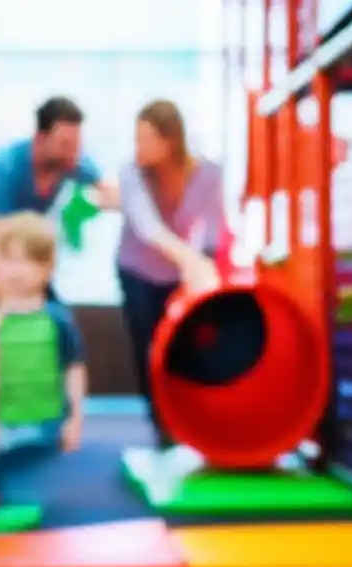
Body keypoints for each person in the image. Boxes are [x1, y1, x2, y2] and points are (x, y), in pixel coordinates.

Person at [0, 96, 116, 406]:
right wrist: (6, 310)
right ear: (41, 138)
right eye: (65, 143)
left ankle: (47, 410)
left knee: (56, 324)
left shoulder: (72, 164)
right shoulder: (3, 169)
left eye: (77, 143)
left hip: (16, 258)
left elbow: (110, 193)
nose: (73, 152)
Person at [116, 99, 226, 449]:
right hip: (136, 268)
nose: (139, 148)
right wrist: (192, 261)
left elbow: (213, 228)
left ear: (170, 140)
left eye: (146, 139)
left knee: (184, 345)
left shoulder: (208, 174)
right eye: (136, 139)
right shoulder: (131, 173)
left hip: (177, 274)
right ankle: (161, 426)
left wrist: (204, 266)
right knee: (147, 347)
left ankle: (192, 420)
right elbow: (148, 228)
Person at [0, 213, 87, 500]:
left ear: (47, 268)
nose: (16, 271)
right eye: (8, 260)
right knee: (2, 480)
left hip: (48, 420)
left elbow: (73, 369)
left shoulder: (57, 319)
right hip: (6, 423)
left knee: (35, 485)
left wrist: (75, 418)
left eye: (27, 261)